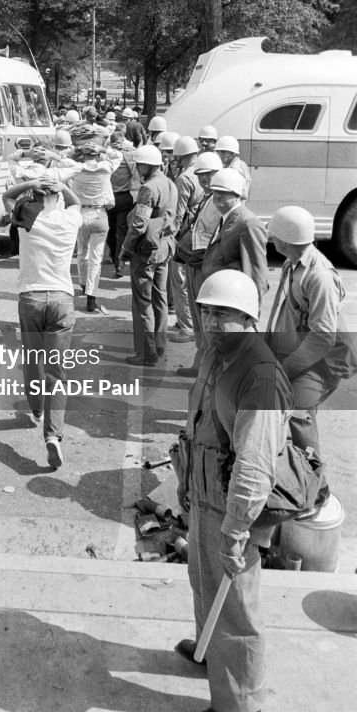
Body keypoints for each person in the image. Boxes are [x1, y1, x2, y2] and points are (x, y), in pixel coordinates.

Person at [177, 269, 292, 712]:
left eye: (221, 314)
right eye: (205, 312)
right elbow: (200, 419)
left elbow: (256, 463)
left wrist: (236, 527)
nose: (210, 322)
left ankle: (240, 703)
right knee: (203, 582)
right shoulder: (215, 354)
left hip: (231, 507)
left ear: (248, 318)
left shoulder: (259, 376)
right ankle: (210, 650)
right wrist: (185, 481)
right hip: (203, 490)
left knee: (237, 611)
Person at [3, 178, 82, 470]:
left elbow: (7, 196)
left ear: (35, 196)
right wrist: (60, 183)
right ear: (58, 198)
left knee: (33, 359)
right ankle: (53, 436)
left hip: (31, 297)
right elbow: (77, 202)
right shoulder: (69, 219)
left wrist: (32, 181)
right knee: (57, 373)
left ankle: (36, 409)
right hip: (62, 298)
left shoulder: (27, 220)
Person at [265, 205, 352, 458]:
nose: (272, 239)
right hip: (297, 354)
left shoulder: (319, 276)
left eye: (274, 235)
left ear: (286, 239)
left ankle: (314, 484)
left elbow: (322, 337)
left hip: (315, 363)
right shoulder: (294, 263)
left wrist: (287, 367)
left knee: (301, 417)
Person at [122, 144, 177, 366]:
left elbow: (138, 223)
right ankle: (160, 345)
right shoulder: (169, 183)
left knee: (142, 302)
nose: (136, 168)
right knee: (160, 298)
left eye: (138, 165)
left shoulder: (149, 188)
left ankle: (146, 353)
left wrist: (126, 248)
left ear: (146, 165)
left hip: (146, 251)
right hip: (164, 247)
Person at [174, 151, 223, 378]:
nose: (204, 179)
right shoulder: (207, 196)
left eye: (209, 174)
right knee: (198, 318)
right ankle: (200, 361)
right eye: (201, 175)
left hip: (205, 264)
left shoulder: (219, 200)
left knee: (205, 320)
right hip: (195, 262)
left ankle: (206, 367)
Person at [201, 168, 267, 309]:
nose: (217, 196)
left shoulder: (248, 224)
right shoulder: (225, 218)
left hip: (234, 306)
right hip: (219, 300)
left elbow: (256, 275)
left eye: (224, 192)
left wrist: (251, 312)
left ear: (237, 195)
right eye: (215, 192)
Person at [71, 140, 120, 313]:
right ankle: (91, 296)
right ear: (97, 155)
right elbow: (118, 155)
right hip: (99, 214)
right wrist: (103, 148)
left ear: (83, 155)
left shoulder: (76, 168)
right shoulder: (106, 168)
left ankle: (83, 284)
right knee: (96, 258)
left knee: (81, 251)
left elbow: (62, 157)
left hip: (80, 213)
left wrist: (77, 148)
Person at [168, 136, 203, 344]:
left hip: (184, 235)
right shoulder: (203, 171)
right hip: (199, 233)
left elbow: (178, 213)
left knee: (179, 282)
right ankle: (188, 322)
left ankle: (186, 326)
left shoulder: (184, 178)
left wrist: (172, 235)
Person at [106, 130, 136, 277]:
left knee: (110, 230)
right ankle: (119, 263)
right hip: (124, 196)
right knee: (121, 231)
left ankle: (112, 253)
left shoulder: (106, 156)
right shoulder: (127, 156)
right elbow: (135, 173)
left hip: (108, 197)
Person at [215, 135, 251, 200]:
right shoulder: (239, 164)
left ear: (233, 153)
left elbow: (244, 194)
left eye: (223, 152)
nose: (220, 155)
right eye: (218, 152)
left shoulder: (235, 168)